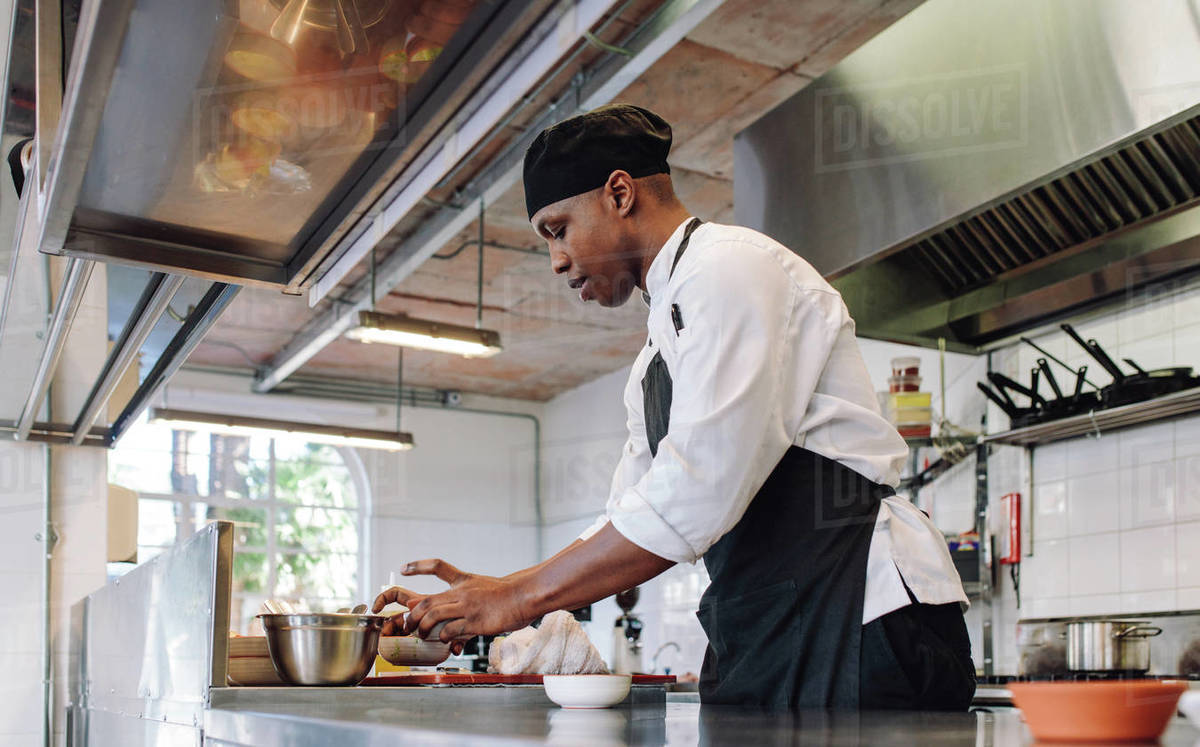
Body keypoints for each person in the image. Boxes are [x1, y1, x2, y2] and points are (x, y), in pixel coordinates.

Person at [374, 104, 975, 710]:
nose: (556, 260)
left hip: (859, 611)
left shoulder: (733, 268)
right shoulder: (652, 359)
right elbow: (636, 511)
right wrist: (500, 593)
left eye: (558, 229)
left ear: (619, 193)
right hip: (764, 618)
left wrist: (519, 596)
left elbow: (699, 490)